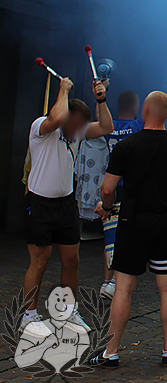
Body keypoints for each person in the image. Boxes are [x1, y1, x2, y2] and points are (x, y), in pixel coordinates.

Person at [89, 91, 167, 369]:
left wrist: (107, 206)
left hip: (132, 220)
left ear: (145, 111)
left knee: (123, 288)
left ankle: (111, 353)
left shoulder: (126, 147)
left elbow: (107, 189)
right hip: (166, 221)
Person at [98, 63, 167, 300]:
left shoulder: (110, 128)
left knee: (113, 239)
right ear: (137, 109)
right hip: (136, 194)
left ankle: (109, 282)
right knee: (166, 283)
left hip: (116, 191)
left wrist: (101, 96)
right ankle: (114, 283)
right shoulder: (137, 127)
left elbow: (101, 118)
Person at [22, 77, 112, 332]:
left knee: (72, 260)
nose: (80, 129)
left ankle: (68, 312)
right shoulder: (41, 127)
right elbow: (56, 117)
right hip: (39, 203)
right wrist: (63, 89)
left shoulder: (77, 133)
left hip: (65, 204)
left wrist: (101, 99)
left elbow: (106, 126)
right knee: (40, 260)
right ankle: (29, 315)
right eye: (77, 123)